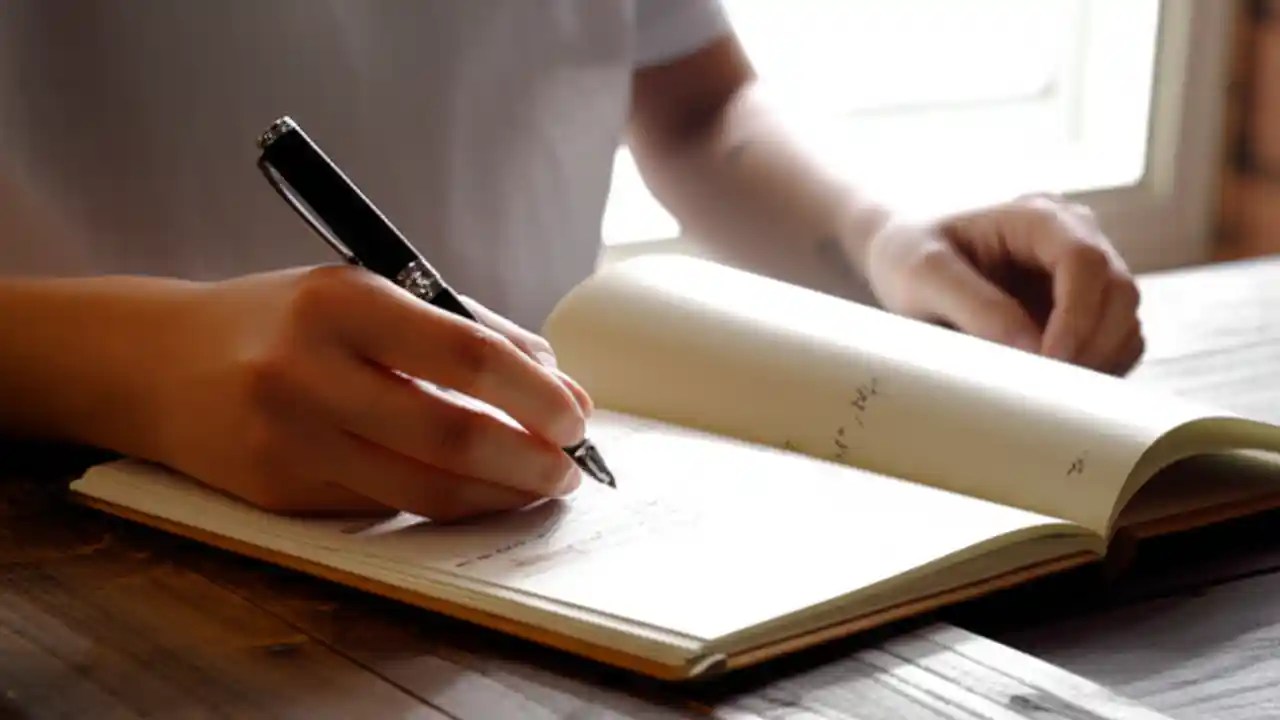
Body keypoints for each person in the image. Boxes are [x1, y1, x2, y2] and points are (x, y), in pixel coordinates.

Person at [0, 2, 1143, 521]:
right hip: (78, 534)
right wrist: (125, 366)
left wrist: (881, 242)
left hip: (519, 515)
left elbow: (694, 102)